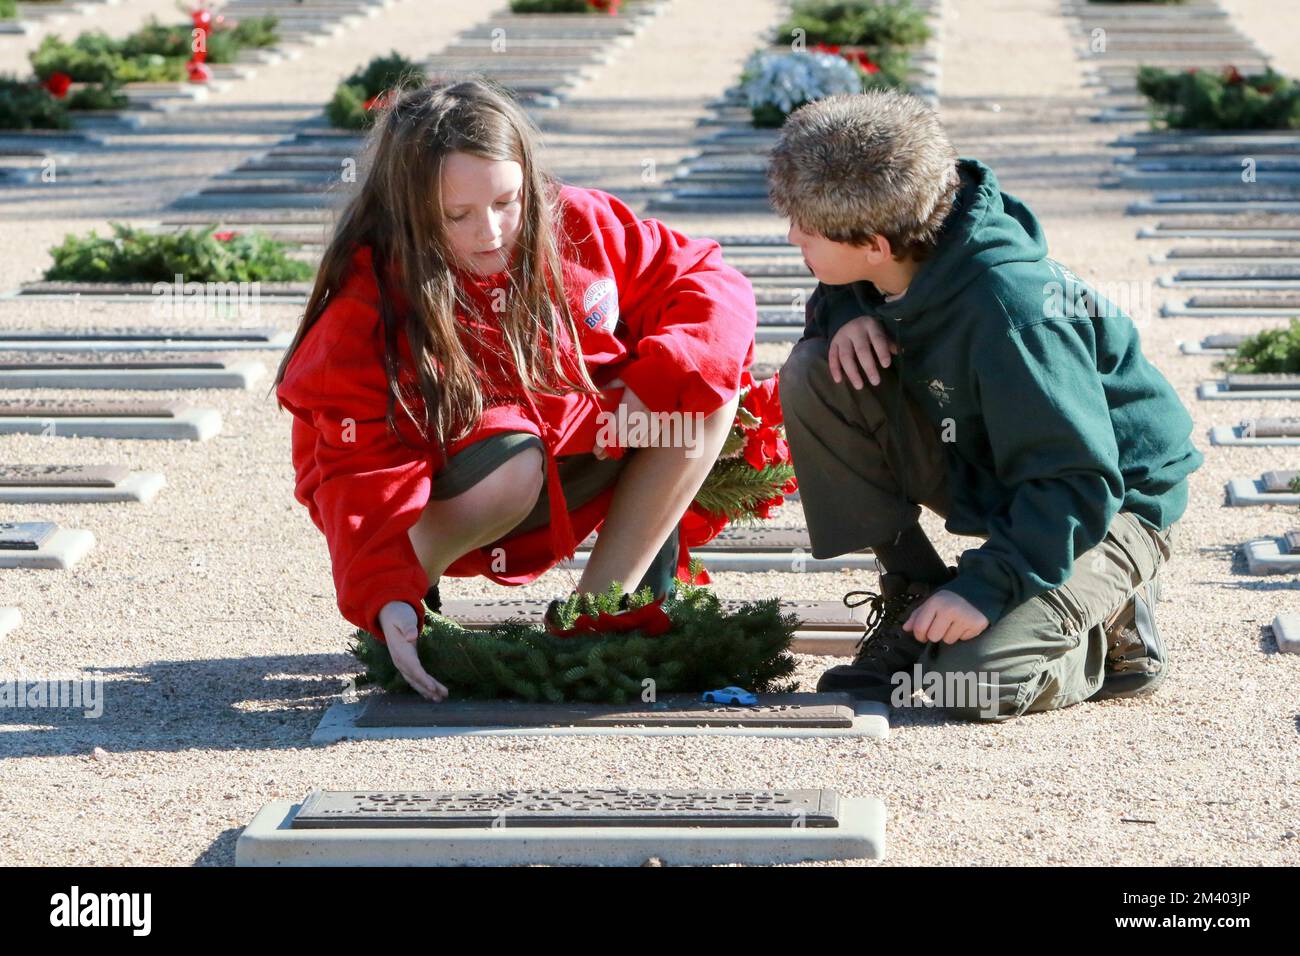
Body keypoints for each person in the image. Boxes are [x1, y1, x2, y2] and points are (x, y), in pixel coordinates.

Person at [272, 78, 756, 701]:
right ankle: (416, 592)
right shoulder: (370, 302)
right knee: (513, 457)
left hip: (573, 455)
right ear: (409, 209)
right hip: (455, 488)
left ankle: (600, 614)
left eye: (508, 202)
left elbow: (707, 281)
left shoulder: (577, 223)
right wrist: (385, 587)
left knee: (700, 403)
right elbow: (355, 466)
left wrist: (655, 384)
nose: (491, 232)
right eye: (458, 215)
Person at [769, 89, 1204, 721]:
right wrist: (846, 312)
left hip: (1104, 505)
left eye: (804, 230)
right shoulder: (898, 248)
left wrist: (986, 588)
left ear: (874, 245)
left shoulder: (1015, 315)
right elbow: (853, 291)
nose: (791, 237)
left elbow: (1077, 480)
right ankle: (913, 591)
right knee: (817, 371)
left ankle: (1110, 616)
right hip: (991, 464)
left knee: (971, 685)